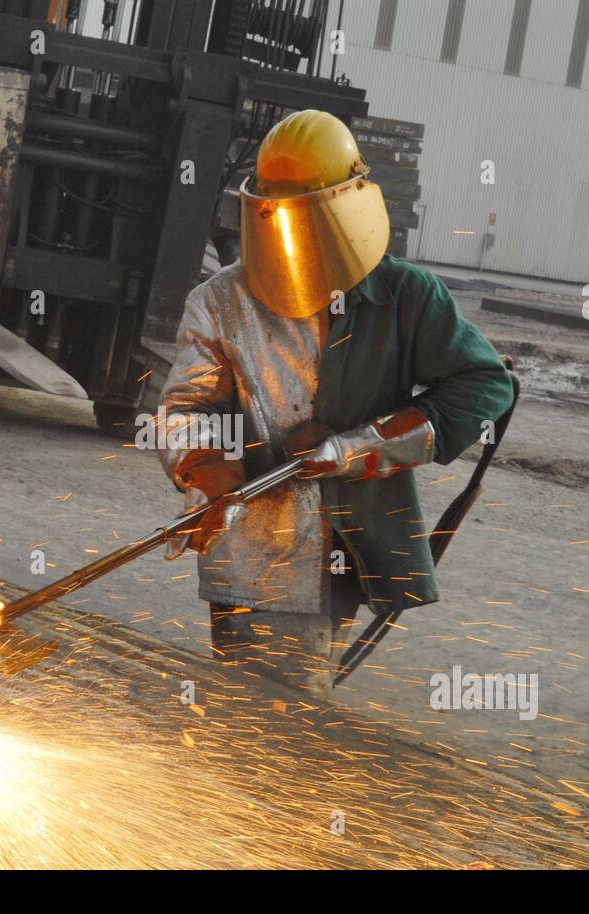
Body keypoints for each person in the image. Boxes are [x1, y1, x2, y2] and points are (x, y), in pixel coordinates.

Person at [157, 109, 515, 699]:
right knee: (246, 707)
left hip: (344, 544)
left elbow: (484, 386)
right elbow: (184, 405)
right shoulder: (220, 300)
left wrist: (356, 448)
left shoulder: (405, 297)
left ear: (346, 207)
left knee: (280, 711)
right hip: (248, 545)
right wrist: (202, 464)